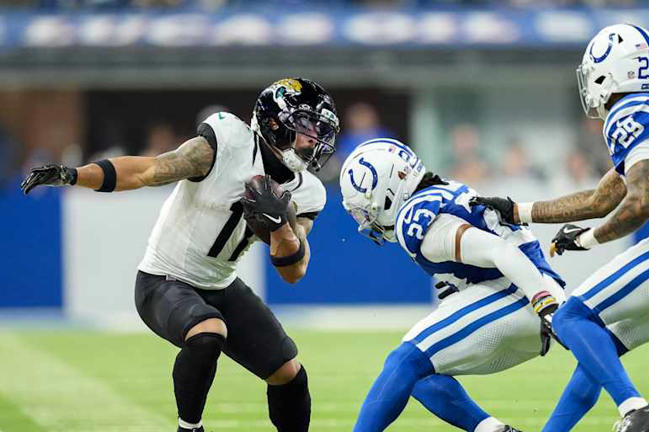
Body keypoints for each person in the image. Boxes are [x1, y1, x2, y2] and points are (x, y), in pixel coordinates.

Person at [20, 78, 341, 432]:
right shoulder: (227, 142)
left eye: (320, 129)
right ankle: (189, 429)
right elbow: (149, 171)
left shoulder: (307, 190)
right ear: (275, 123)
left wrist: (280, 224)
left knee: (288, 373)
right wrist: (72, 175)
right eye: (308, 127)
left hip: (220, 285)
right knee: (208, 332)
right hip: (164, 278)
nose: (316, 139)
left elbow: (293, 271)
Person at [474, 24, 649, 432]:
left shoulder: (630, 110)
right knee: (597, 350)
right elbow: (601, 198)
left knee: (569, 318)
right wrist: (519, 210)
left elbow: (643, 202)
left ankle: (636, 409)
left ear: (611, 72)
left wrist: (588, 239)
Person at [339, 138, 567, 432]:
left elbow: (499, 250)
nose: (364, 219)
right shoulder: (440, 191)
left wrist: (544, 303)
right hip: (523, 291)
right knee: (418, 375)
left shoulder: (415, 217)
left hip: (525, 294)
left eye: (363, 208)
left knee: (404, 359)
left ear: (387, 190)